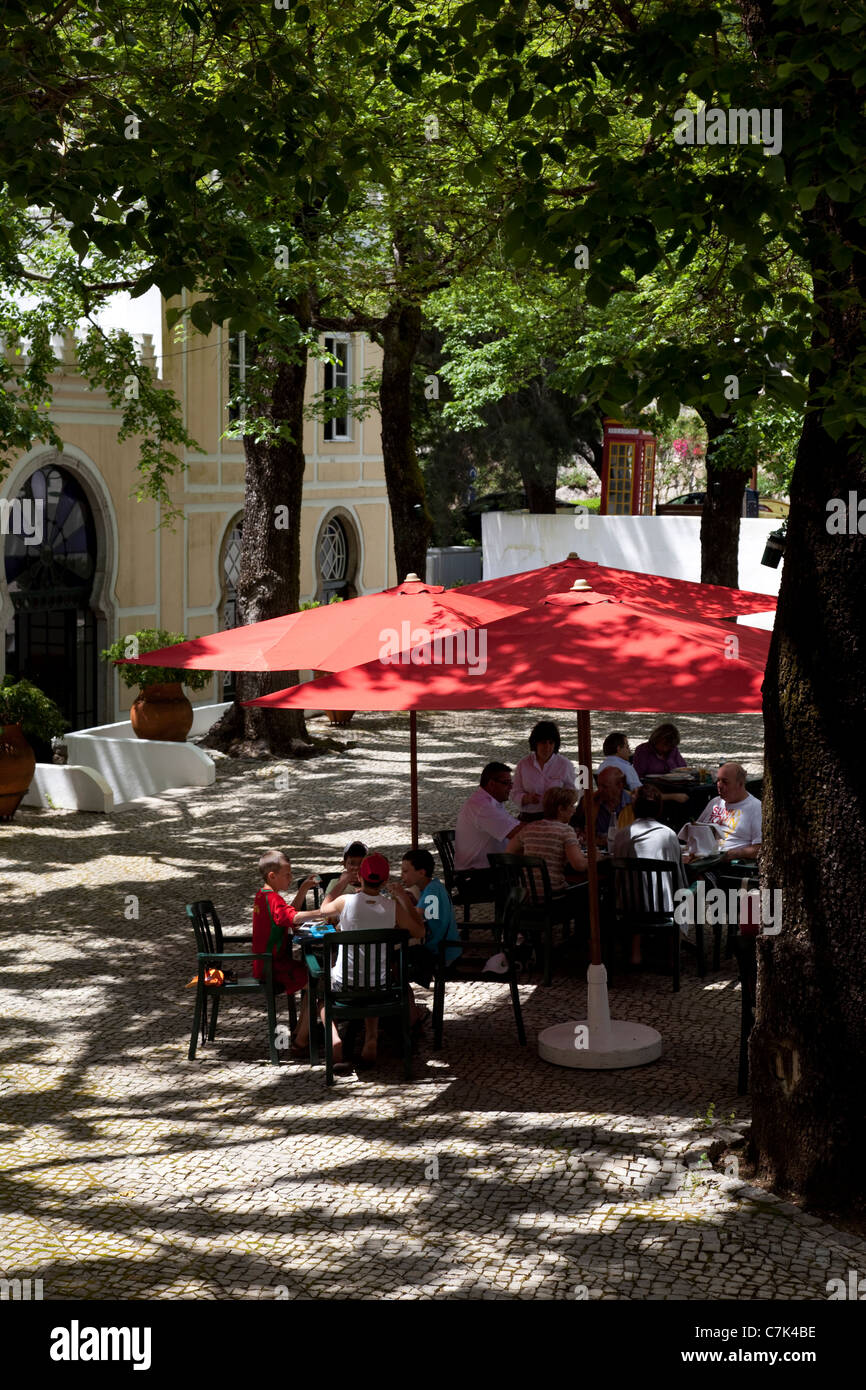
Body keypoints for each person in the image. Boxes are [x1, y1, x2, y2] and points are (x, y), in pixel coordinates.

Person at [322, 853, 426, 1067]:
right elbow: (419, 930)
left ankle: (334, 1038)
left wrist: (341, 883)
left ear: (360, 876)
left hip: (345, 987)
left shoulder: (345, 902)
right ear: (385, 881)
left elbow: (324, 909)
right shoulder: (392, 908)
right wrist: (403, 899)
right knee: (373, 979)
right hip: (380, 989)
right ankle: (371, 1037)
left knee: (320, 992)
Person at [251, 849, 341, 1059]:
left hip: (272, 963)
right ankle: (301, 1040)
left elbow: (286, 914)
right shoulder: (271, 899)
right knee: (317, 982)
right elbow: (293, 917)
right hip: (272, 967)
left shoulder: (265, 895)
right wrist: (324, 911)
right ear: (272, 876)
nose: (290, 878)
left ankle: (302, 1035)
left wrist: (303, 889)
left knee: (313, 979)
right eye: (288, 875)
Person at [613, 785, 691, 964]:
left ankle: (635, 951)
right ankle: (673, 949)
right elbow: (677, 874)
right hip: (664, 905)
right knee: (676, 889)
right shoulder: (668, 835)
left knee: (636, 889)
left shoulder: (622, 835)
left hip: (628, 904)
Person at [400, 847, 462, 989]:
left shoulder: (433, 890)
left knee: (397, 959)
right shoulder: (433, 886)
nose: (402, 876)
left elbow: (415, 915)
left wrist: (401, 896)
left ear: (421, 872)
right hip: (443, 948)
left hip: (443, 953)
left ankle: (405, 999)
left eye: (405, 871)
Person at [513, 786, 588, 893]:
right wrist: (596, 858)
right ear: (561, 809)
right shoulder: (566, 831)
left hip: (527, 895)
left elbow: (509, 852)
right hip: (554, 895)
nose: (574, 810)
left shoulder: (529, 828)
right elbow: (579, 865)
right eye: (572, 806)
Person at [454, 762, 523, 870]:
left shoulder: (490, 802)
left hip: (489, 868)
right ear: (491, 784)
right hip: (478, 874)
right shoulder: (482, 806)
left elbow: (515, 827)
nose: (511, 788)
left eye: (511, 783)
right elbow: (516, 832)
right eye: (506, 783)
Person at [692, 763, 762, 861]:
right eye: (718, 780)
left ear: (740, 784)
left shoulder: (755, 808)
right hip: (702, 855)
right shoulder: (715, 802)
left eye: (725, 782)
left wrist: (736, 853)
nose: (719, 785)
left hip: (727, 863)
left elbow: (760, 848)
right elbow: (696, 828)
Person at [512, 720, 578, 822]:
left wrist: (557, 797)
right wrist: (527, 798)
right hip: (528, 818)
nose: (547, 747)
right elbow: (514, 793)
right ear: (535, 743)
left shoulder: (564, 764)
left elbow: (573, 794)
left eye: (551, 743)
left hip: (556, 819)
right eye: (543, 742)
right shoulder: (523, 764)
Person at [573, 766, 632, 845]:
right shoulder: (588, 801)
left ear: (619, 785)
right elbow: (575, 827)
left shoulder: (633, 803)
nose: (600, 790)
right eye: (599, 785)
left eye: (605, 787)